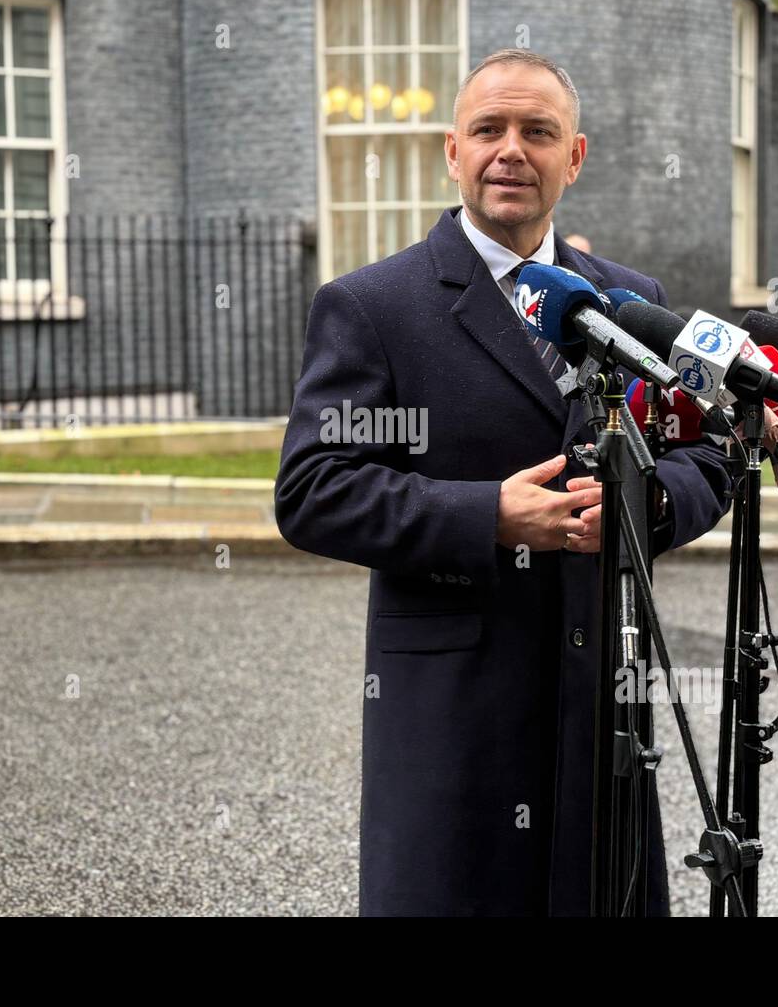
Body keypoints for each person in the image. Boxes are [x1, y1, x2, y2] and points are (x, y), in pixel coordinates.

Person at [275, 49, 732, 916]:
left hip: (602, 707)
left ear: (576, 156)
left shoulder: (632, 301)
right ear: (454, 151)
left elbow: (704, 451)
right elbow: (312, 488)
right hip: (454, 720)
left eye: (538, 132)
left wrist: (650, 503)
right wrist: (490, 514)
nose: (510, 150)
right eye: (488, 129)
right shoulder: (374, 305)